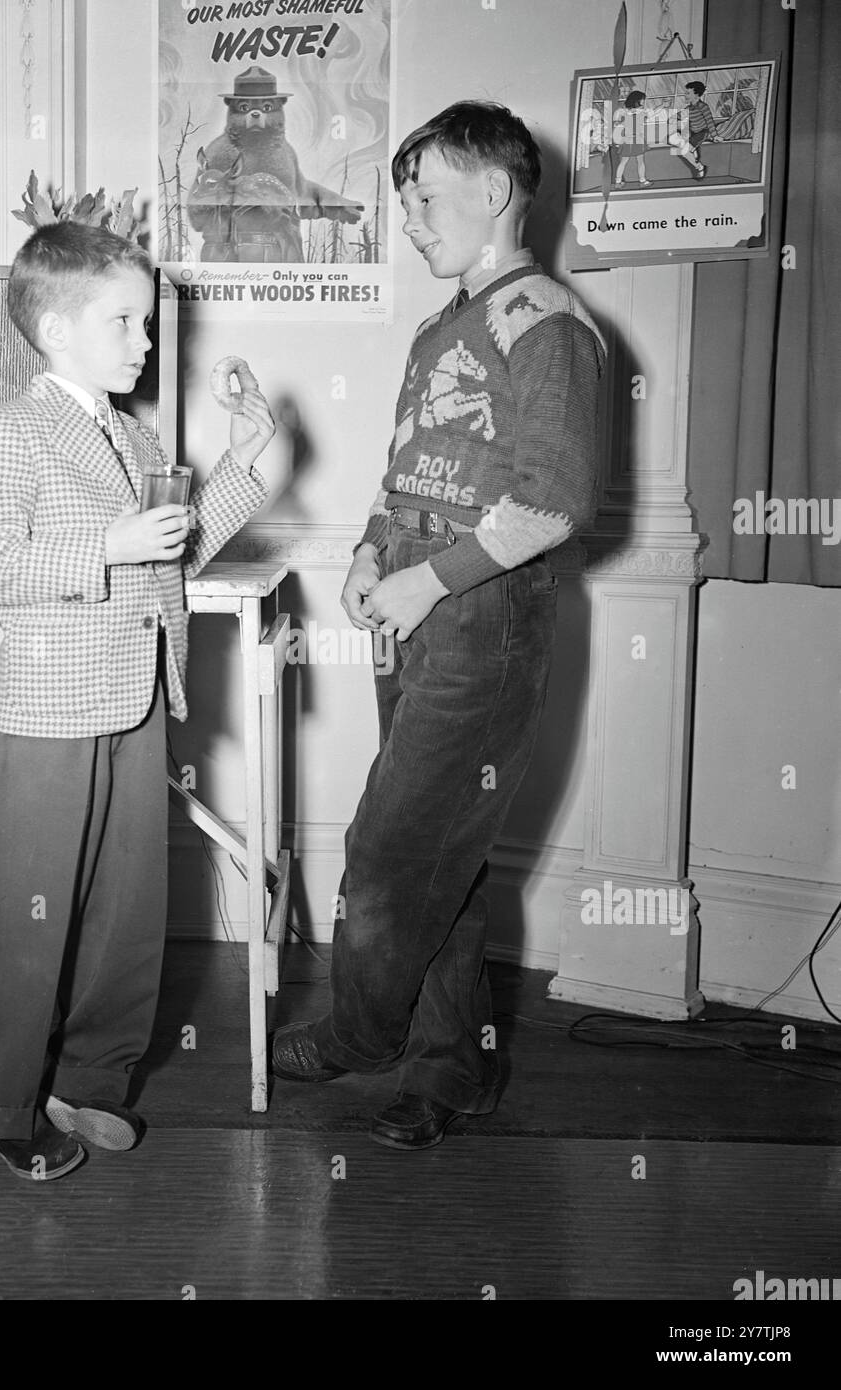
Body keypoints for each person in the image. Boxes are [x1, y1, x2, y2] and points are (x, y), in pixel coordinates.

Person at [271, 101, 606, 1150]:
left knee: (386, 850)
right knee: (442, 860)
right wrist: (373, 554)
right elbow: (408, 464)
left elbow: (553, 501)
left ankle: (358, 1034)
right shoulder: (438, 327)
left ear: (495, 193)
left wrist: (430, 583)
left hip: (482, 616)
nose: (408, 218)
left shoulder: (546, 321)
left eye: (424, 197)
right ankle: (448, 1072)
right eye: (403, 198)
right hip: (419, 601)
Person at [0, 222, 273, 1179]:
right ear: (54, 328)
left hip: (137, 699)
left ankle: (90, 1082)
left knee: (129, 909)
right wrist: (107, 545)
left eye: (149, 319)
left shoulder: (133, 435)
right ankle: (5, 1109)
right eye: (125, 320)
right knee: (30, 914)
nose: (146, 340)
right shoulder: (10, 431)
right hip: (50, 712)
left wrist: (245, 461)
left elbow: (170, 554)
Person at [614, 89, 651, 187]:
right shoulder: (625, 113)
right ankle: (619, 182)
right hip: (630, 140)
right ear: (637, 100)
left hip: (636, 139)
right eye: (642, 99)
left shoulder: (640, 112)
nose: (644, 101)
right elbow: (618, 124)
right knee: (626, 161)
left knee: (638, 161)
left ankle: (642, 181)